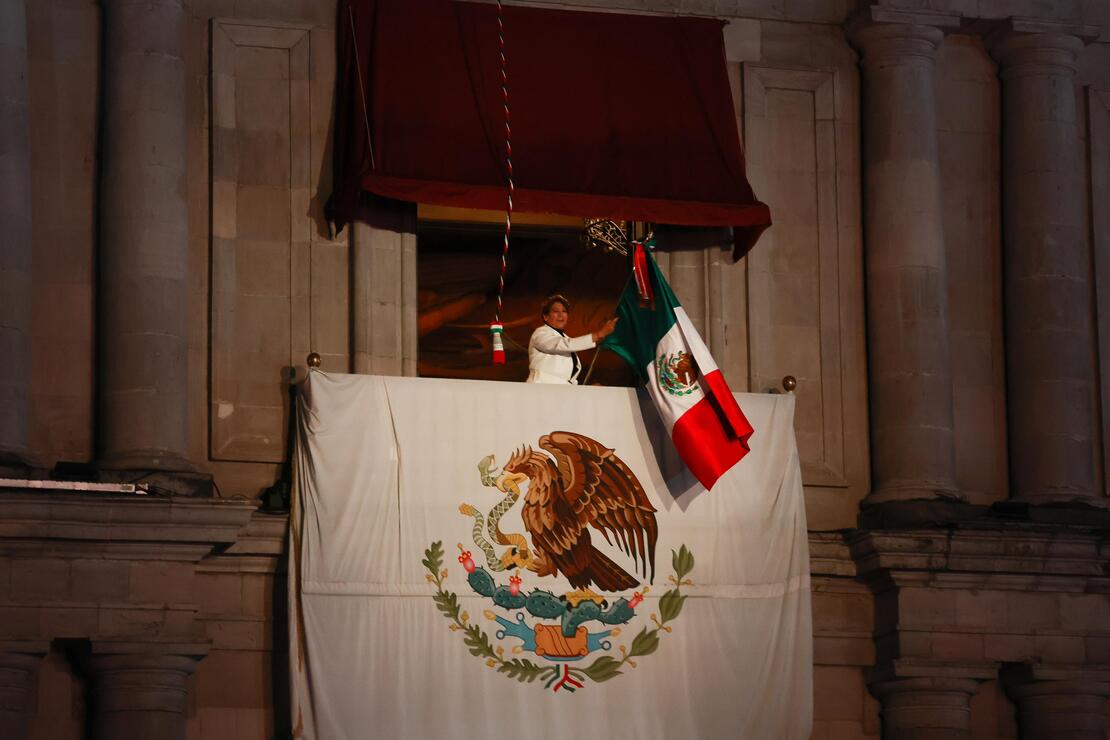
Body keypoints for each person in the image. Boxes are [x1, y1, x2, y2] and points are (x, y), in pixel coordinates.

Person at [526, 294, 618, 384]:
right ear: (545, 317)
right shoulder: (540, 333)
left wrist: (588, 390)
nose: (560, 315)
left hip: (561, 392)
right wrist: (598, 334)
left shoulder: (566, 338)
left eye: (564, 311)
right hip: (541, 387)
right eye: (556, 311)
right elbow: (562, 344)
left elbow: (569, 380)